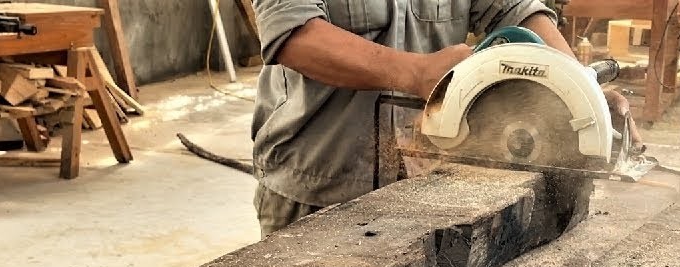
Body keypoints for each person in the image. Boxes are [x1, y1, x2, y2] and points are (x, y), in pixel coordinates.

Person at [251, 0, 624, 235]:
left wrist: (575, 89)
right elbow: (294, 35)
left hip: (426, 181)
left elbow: (513, 11)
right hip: (319, 181)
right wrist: (417, 73)